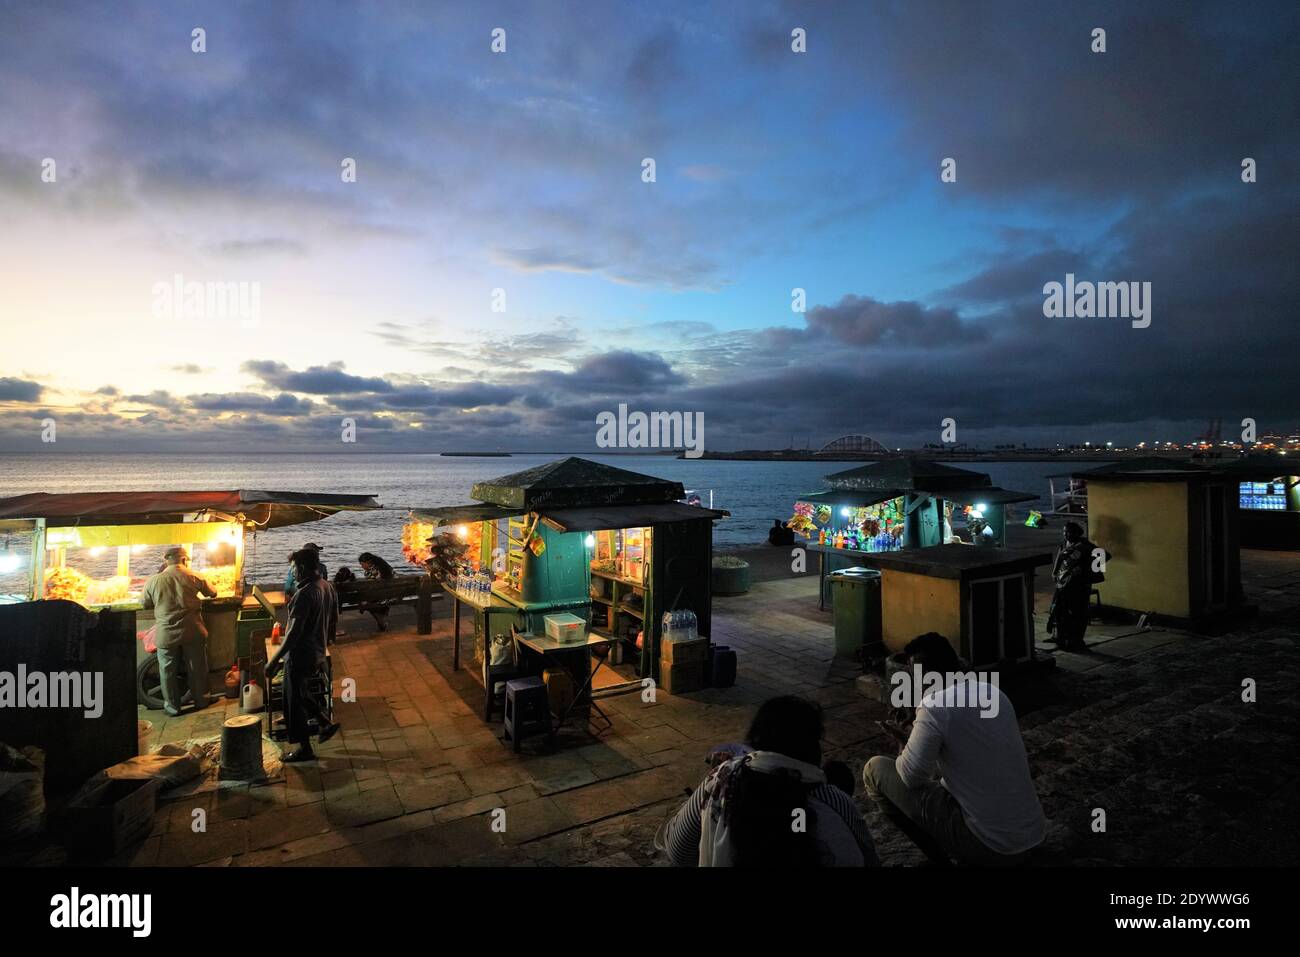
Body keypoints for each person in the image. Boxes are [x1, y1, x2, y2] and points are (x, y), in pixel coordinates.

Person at [862, 633, 1045, 866]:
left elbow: (911, 777)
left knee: (873, 769)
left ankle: (941, 858)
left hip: (991, 847)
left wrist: (903, 742)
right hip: (1033, 833)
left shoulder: (935, 707)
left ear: (923, 676)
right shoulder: (993, 693)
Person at [658, 696, 880, 867]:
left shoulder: (722, 780)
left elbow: (679, 850)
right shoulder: (833, 800)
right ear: (812, 748)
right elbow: (870, 860)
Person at [267, 548, 340, 762]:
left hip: (301, 654)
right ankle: (324, 722)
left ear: (301, 568)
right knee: (301, 693)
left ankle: (304, 747)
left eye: (292, 568)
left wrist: (274, 659)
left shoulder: (304, 594)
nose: (292, 573)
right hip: (318, 650)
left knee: (293, 701)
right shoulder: (328, 586)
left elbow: (293, 634)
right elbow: (334, 618)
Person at [140, 547, 217, 717]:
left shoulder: (153, 581)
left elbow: (144, 603)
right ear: (184, 560)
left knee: (167, 672)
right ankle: (202, 701)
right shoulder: (194, 576)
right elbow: (212, 592)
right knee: (197, 667)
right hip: (193, 630)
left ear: (166, 561)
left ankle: (172, 708)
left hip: (166, 633)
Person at [1047, 520, 1105, 652]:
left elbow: (1102, 556)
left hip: (1078, 586)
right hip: (1063, 583)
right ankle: (1060, 638)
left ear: (1076, 533)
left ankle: (1076, 641)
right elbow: (1059, 557)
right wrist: (1055, 571)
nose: (1065, 534)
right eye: (1064, 531)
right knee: (1058, 610)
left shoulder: (1085, 546)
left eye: (1068, 532)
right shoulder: (1065, 543)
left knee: (1077, 613)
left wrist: (1085, 570)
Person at [357, 552, 395, 632]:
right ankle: (382, 621)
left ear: (368, 563)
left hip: (381, 598)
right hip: (392, 595)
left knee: (365, 603)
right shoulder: (385, 567)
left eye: (362, 564)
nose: (361, 566)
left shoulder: (371, 571)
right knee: (368, 601)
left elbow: (373, 589)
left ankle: (381, 622)